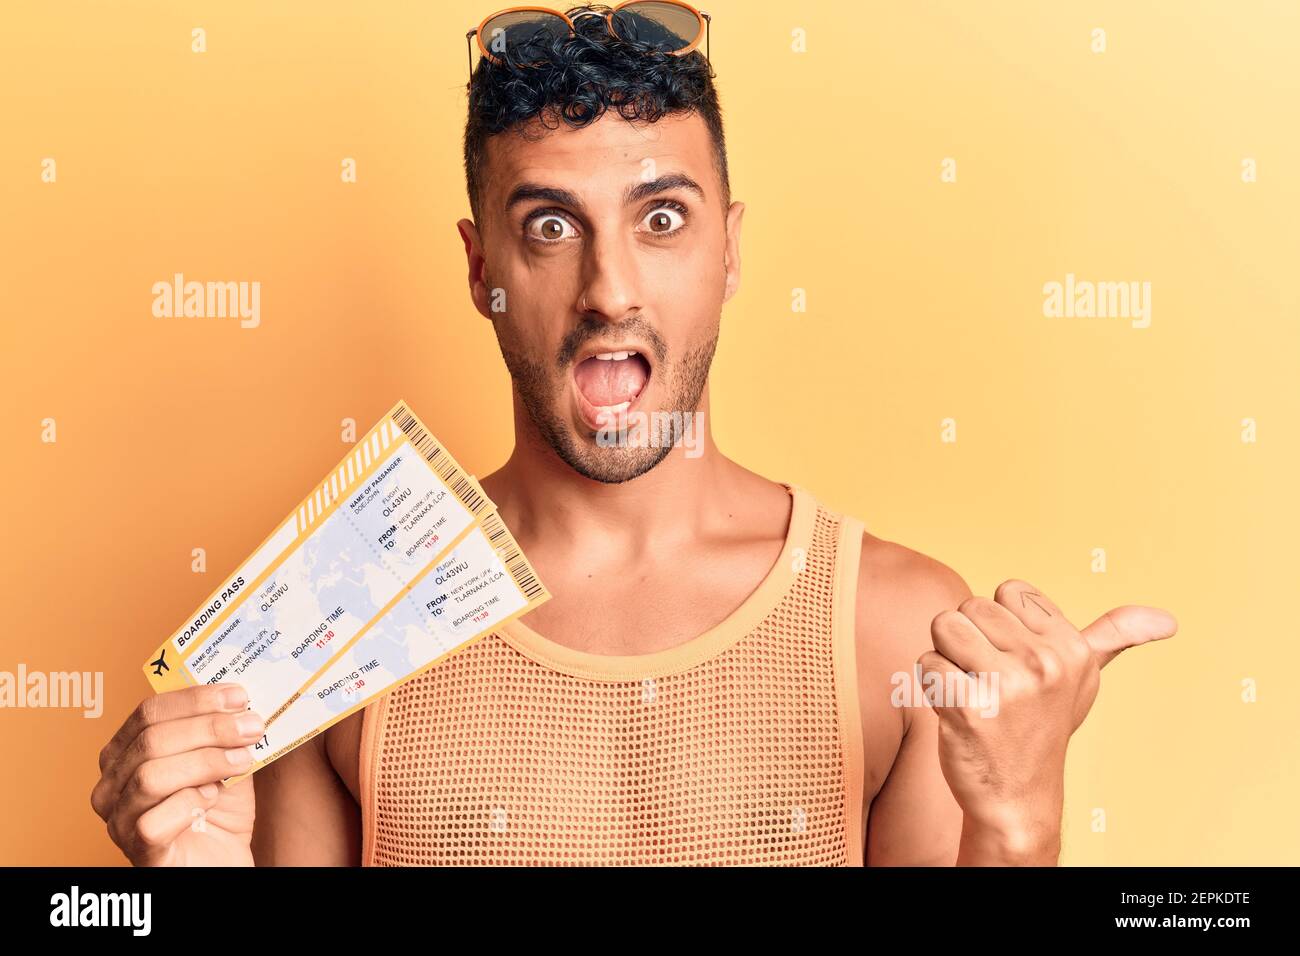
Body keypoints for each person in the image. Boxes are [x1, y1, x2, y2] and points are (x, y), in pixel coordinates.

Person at [91, 3, 1176, 866]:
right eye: (550, 226)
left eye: (661, 218)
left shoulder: (896, 629)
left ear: (730, 252)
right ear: (482, 270)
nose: (609, 288)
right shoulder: (348, 624)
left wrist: (1022, 827)